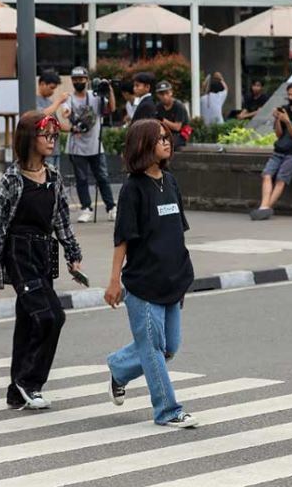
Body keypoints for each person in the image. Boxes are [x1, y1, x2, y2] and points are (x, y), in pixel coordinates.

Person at [0, 111, 85, 410]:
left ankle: (16, 392)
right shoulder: (11, 180)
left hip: (43, 252)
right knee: (50, 316)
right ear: (28, 138)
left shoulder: (53, 177)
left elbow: (62, 221)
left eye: (55, 136)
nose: (52, 142)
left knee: (28, 322)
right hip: (18, 253)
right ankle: (30, 382)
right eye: (46, 135)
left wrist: (73, 255)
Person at [104, 119, 197, 428]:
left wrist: (183, 277)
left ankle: (119, 368)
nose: (167, 143)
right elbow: (123, 239)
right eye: (159, 139)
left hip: (173, 279)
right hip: (143, 284)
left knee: (169, 347)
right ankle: (167, 410)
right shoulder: (133, 189)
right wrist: (114, 280)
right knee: (153, 349)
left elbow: (176, 231)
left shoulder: (169, 181)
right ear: (144, 145)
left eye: (167, 137)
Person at [250, 81, 292, 220]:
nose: (291, 98)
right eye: (289, 95)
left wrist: (287, 121)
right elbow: (279, 134)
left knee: (281, 179)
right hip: (280, 149)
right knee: (267, 174)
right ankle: (264, 207)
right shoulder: (284, 109)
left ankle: (266, 208)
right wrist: (278, 120)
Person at [61, 66, 117, 224]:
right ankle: (86, 208)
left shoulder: (95, 96)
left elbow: (111, 108)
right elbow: (65, 112)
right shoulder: (69, 98)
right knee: (82, 179)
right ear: (72, 81)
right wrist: (69, 117)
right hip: (76, 146)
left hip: (95, 145)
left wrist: (109, 90)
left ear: (87, 80)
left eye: (82, 79)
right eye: (76, 80)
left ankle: (111, 207)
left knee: (103, 178)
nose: (79, 82)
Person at [36, 70, 70, 169]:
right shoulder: (34, 101)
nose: (52, 92)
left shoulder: (50, 103)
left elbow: (57, 124)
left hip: (55, 149)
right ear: (42, 84)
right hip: (44, 151)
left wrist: (73, 128)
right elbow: (41, 115)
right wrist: (59, 100)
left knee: (56, 179)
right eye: (51, 88)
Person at [155, 80, 189, 151]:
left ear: (171, 92)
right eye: (161, 94)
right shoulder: (158, 107)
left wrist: (162, 120)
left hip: (180, 135)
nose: (165, 96)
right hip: (165, 134)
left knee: (167, 145)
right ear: (158, 95)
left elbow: (177, 127)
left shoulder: (178, 106)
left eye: (167, 93)